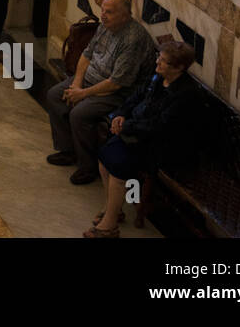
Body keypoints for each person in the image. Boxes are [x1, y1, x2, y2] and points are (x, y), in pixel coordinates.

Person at [87, 41, 203, 237]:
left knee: (117, 166)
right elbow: (135, 97)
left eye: (163, 61)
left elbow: (161, 125)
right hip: (138, 134)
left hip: (163, 146)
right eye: (159, 57)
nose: (157, 62)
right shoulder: (158, 77)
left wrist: (127, 125)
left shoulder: (185, 94)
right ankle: (114, 208)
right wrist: (120, 115)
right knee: (104, 158)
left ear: (179, 67)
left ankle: (109, 226)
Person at [45, 0, 157, 184]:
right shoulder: (106, 26)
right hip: (90, 80)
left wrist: (83, 94)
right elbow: (86, 55)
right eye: (103, 10)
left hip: (116, 92)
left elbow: (116, 82)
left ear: (125, 15)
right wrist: (77, 83)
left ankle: (87, 167)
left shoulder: (133, 40)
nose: (103, 15)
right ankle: (68, 150)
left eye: (109, 12)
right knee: (55, 95)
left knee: (79, 113)